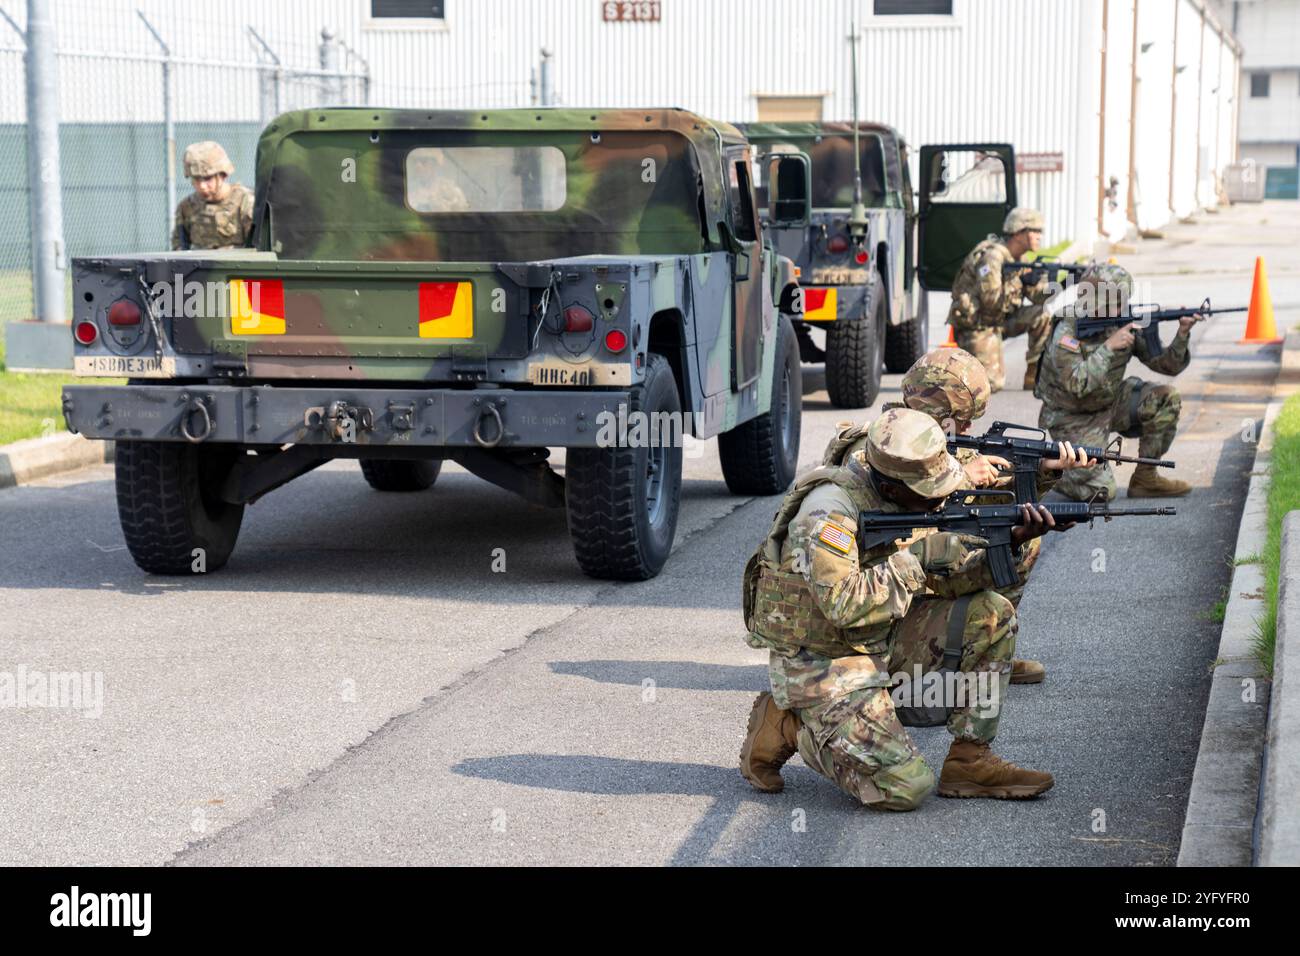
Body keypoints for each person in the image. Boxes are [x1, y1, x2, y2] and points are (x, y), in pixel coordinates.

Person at [738, 407, 1061, 808]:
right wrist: (918, 558)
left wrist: (1010, 543)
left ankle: (969, 761)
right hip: (827, 662)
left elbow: (947, 582)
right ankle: (790, 724)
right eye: (928, 489)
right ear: (891, 487)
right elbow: (843, 605)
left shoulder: (907, 497)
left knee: (991, 615)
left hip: (883, 637)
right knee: (906, 788)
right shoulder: (828, 513)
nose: (938, 497)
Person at [886, 347, 1094, 683]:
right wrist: (965, 477)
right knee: (996, 540)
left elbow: (984, 500)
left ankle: (993, 644)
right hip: (895, 584)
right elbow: (908, 516)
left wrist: (1042, 471)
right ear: (936, 412)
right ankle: (965, 646)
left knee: (1016, 536)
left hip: (929, 565)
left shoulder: (941, 439)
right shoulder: (882, 447)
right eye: (962, 419)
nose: (968, 428)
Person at [1035, 264, 1199, 500]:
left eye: (1123, 298)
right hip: (1071, 416)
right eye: (1117, 299)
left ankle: (1146, 478)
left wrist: (1182, 333)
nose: (1123, 305)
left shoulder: (1122, 320)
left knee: (1165, 398)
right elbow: (1076, 384)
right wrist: (1108, 347)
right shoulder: (1068, 328)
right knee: (1101, 493)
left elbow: (1166, 366)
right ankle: (1047, 474)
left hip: (1109, 403)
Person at [946, 207, 1054, 392]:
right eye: (1034, 231)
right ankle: (950, 373)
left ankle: (1034, 374)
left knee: (1044, 314)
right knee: (989, 385)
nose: (1039, 236)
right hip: (978, 326)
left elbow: (1038, 298)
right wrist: (1020, 279)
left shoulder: (1021, 258)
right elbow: (991, 302)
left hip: (1001, 322)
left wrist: (1056, 284)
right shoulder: (992, 257)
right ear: (1018, 233)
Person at [171, 141, 255, 251]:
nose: (202, 186)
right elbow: (179, 248)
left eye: (207, 178)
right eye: (196, 179)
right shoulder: (186, 207)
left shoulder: (246, 202)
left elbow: (256, 249)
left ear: (223, 175)